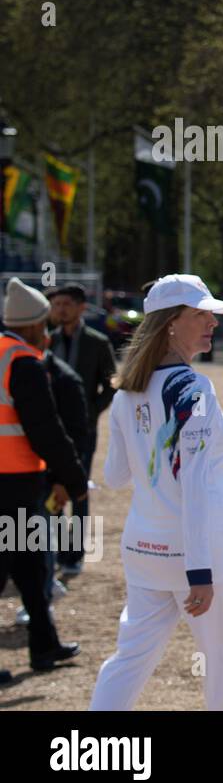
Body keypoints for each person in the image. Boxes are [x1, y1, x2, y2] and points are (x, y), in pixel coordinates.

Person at [89, 274, 223, 710]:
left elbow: (115, 477)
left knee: (129, 660)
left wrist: (148, 453)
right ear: (170, 323)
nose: (212, 322)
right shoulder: (194, 390)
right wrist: (199, 572)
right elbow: (194, 486)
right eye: (201, 314)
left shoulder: (127, 393)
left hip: (143, 548)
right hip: (201, 552)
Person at [0, 277, 87, 677]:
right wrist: (73, 478)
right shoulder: (24, 362)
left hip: (15, 485)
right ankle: (44, 646)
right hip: (14, 485)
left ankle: (45, 646)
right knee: (20, 566)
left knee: (32, 568)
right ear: (34, 325)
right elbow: (46, 430)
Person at [47, 283, 117, 575]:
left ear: (81, 308)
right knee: (50, 489)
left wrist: (90, 413)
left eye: (66, 304)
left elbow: (112, 384)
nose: (60, 309)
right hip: (50, 429)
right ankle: (52, 551)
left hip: (82, 430)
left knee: (78, 490)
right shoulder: (46, 340)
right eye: (56, 304)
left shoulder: (97, 342)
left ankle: (73, 555)